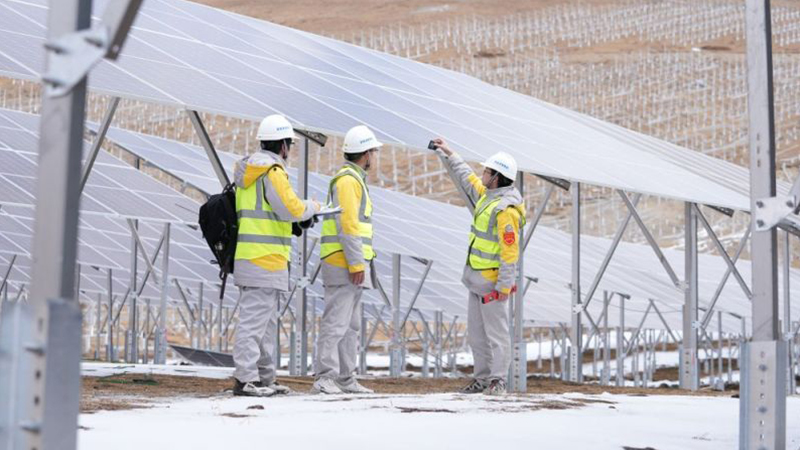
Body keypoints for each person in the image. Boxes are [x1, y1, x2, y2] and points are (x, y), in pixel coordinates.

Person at [232, 114, 320, 397]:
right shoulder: (272, 172)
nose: (289, 151)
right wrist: (313, 208)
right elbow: (290, 207)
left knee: (265, 324)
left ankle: (265, 378)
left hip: (253, 257)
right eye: (289, 146)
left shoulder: (248, 175)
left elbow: (270, 213)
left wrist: (294, 221)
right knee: (253, 323)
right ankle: (245, 379)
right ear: (283, 146)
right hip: (264, 258)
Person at [431, 138, 526, 396]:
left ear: (497, 177)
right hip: (476, 280)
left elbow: (510, 253)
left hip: (493, 284)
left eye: (487, 171)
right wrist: (450, 153)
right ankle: (482, 380)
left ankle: (498, 382)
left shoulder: (506, 210)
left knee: (496, 335)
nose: (482, 174)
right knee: (477, 336)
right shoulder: (488, 197)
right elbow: (467, 177)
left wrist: (505, 286)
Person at [312, 125, 382, 395]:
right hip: (343, 263)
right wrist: (356, 264)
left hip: (351, 262)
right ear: (365, 154)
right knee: (336, 323)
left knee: (350, 326)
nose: (373, 157)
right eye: (372, 152)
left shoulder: (354, 180)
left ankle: (345, 378)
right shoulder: (348, 181)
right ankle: (325, 377)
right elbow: (348, 225)